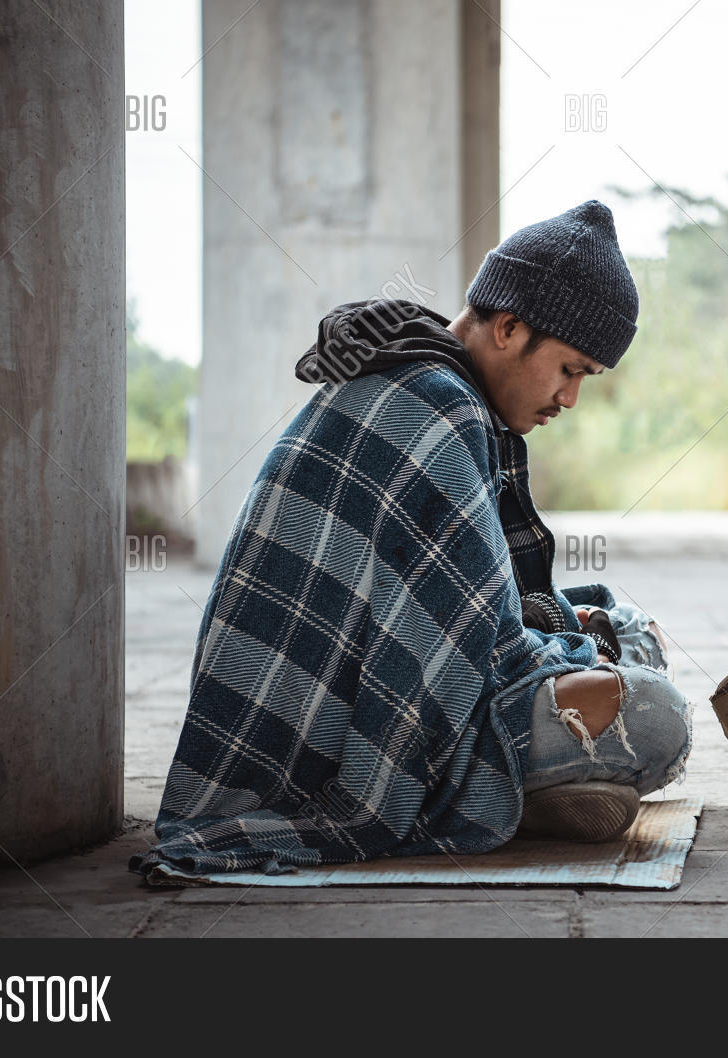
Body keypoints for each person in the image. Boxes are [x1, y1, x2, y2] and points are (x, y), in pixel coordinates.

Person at [131, 200, 692, 879]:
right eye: (570, 370)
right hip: (338, 750)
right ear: (510, 328)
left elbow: (472, 615)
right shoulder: (436, 406)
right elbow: (489, 656)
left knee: (625, 628)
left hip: (384, 691)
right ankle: (492, 798)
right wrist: (585, 654)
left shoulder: (422, 374)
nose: (569, 399)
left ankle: (530, 792)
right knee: (657, 714)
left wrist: (586, 639)